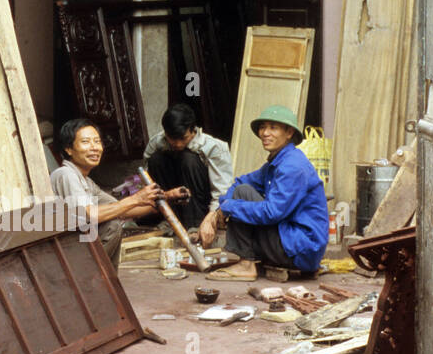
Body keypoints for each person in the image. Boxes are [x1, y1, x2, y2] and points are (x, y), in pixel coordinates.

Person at [50, 118, 187, 268]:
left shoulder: (86, 182)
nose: (95, 147)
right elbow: (89, 215)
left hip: (75, 244)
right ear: (68, 149)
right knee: (112, 225)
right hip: (62, 251)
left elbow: (122, 210)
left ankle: (103, 280)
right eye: (86, 142)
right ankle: (88, 277)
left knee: (114, 220)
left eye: (97, 141)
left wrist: (168, 196)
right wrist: (136, 198)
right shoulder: (66, 174)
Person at [212, 105, 329, 280]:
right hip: (290, 242)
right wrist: (218, 210)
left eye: (273, 128)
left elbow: (271, 213)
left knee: (242, 196)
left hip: (299, 250)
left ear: (289, 133)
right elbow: (241, 181)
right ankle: (249, 261)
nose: (265, 133)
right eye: (263, 127)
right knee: (242, 190)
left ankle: (246, 265)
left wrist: (228, 207)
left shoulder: (292, 166)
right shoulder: (276, 163)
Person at [143, 103, 233, 246]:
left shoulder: (214, 147)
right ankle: (168, 219)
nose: (177, 144)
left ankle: (195, 224)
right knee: (156, 159)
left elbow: (223, 191)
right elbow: (147, 179)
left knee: (188, 158)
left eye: (183, 138)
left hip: (201, 205)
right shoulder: (157, 142)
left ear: (193, 130)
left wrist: (211, 219)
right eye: (172, 139)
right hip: (174, 197)